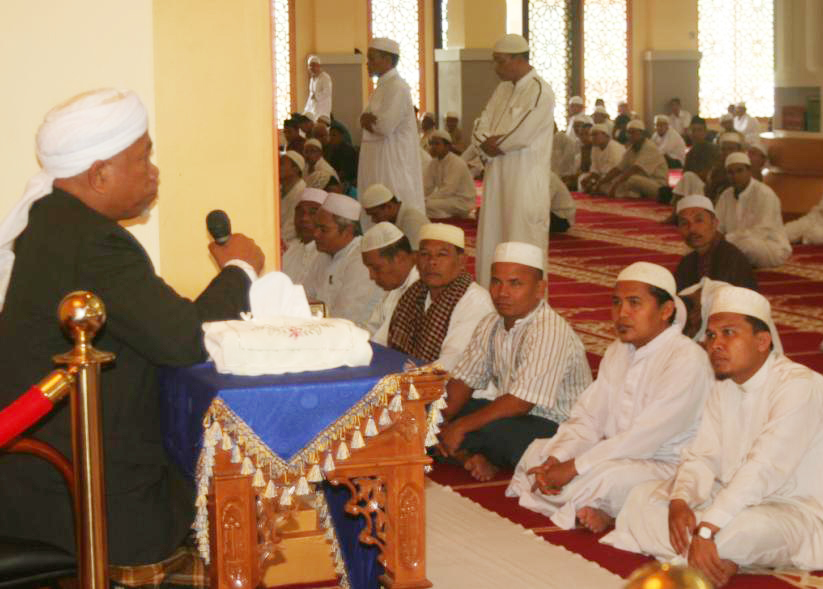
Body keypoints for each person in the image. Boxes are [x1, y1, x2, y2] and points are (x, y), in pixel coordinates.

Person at [0, 89, 265, 567]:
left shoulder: (52, 222)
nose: (154, 171)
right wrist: (239, 272)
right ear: (99, 174)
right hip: (87, 495)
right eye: (143, 158)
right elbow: (183, 339)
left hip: (34, 481)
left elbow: (152, 318)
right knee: (240, 475)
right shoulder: (97, 242)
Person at [603, 286, 823, 587]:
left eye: (729, 333)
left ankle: (709, 552)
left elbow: (764, 468)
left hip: (792, 510)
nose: (716, 344)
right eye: (712, 335)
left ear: (762, 341)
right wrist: (681, 502)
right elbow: (702, 456)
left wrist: (708, 528)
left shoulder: (799, 386)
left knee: (743, 529)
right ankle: (717, 558)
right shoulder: (725, 385)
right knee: (643, 498)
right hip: (729, 498)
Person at [506, 262, 713, 533]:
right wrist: (558, 458)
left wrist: (575, 467)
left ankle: (607, 512)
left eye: (634, 303)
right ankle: (593, 504)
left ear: (666, 310)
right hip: (615, 452)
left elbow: (644, 437)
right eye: (617, 303)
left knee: (607, 478)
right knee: (537, 452)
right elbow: (589, 417)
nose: (622, 313)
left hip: (666, 464)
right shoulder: (619, 350)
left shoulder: (686, 359)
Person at [438, 242, 592, 481]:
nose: (502, 293)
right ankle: (470, 457)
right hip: (513, 415)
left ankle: (463, 450)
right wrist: (442, 417)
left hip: (554, 425)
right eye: (496, 282)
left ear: (540, 288)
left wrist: (459, 427)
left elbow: (521, 403)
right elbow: (464, 379)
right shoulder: (491, 323)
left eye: (515, 283)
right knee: (426, 411)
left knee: (492, 432)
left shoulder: (549, 330)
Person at [473, 33, 555, 286]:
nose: (496, 68)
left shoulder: (540, 90)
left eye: (500, 61)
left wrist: (497, 143)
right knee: (493, 239)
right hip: (497, 176)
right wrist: (485, 142)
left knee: (523, 243)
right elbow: (480, 124)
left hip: (525, 181)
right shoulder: (502, 89)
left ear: (518, 59)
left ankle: (527, 308)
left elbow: (522, 133)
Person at [387, 223, 494, 372]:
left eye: (442, 254)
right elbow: (385, 341)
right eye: (425, 254)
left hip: (457, 388)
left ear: (462, 261)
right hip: (414, 379)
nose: (432, 262)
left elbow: (450, 362)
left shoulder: (475, 301)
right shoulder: (414, 293)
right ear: (416, 260)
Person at [358, 37, 425, 214]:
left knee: (391, 205)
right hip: (378, 159)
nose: (368, 63)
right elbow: (366, 119)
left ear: (387, 60)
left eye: (372, 58)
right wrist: (367, 119)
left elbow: (384, 126)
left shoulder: (398, 87)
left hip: (392, 161)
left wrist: (367, 120)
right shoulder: (382, 87)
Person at [303, 193, 383, 328]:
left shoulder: (362, 260)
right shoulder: (323, 255)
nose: (315, 234)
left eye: (323, 229)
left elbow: (346, 318)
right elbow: (304, 298)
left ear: (347, 231)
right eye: (316, 227)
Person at [715, 152, 792, 268]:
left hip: (768, 247)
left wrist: (727, 240)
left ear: (749, 171)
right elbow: (717, 224)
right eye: (730, 172)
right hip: (732, 244)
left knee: (747, 245)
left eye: (739, 171)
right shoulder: (726, 195)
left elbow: (762, 231)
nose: (735, 176)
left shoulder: (765, 194)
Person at [673, 194, 757, 293]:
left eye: (699, 220)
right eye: (684, 223)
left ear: (714, 223)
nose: (692, 229)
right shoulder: (687, 262)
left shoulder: (731, 259)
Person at [361, 222, 419, 344]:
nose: (371, 276)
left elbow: (382, 342)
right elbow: (370, 329)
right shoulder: (395, 288)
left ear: (400, 257)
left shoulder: (422, 288)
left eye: (376, 268)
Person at [599, 120, 668, 199]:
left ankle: (630, 193)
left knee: (631, 179)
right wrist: (600, 182)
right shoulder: (631, 149)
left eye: (633, 133)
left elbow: (635, 169)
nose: (629, 135)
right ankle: (633, 194)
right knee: (610, 181)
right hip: (639, 182)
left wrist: (616, 183)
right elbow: (618, 168)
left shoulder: (650, 148)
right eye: (628, 133)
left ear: (642, 134)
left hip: (657, 185)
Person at [424, 130, 476, 219]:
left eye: (437, 144)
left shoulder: (456, 162)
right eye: (432, 144)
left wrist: (427, 200)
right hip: (448, 199)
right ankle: (445, 214)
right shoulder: (434, 163)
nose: (433, 147)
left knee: (428, 205)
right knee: (422, 204)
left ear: (447, 146)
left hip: (462, 202)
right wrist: (420, 197)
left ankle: (451, 215)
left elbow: (448, 190)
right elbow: (427, 186)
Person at [360, 183, 430, 249]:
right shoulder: (394, 220)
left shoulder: (411, 220)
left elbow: (414, 256)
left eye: (375, 214)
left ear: (389, 207)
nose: (373, 220)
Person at [282, 187, 326, 286]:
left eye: (313, 212)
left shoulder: (327, 254)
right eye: (300, 212)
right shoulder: (290, 251)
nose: (304, 218)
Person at [580, 123, 625, 194]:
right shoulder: (595, 147)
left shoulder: (615, 147)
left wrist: (597, 182)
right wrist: (588, 179)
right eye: (591, 135)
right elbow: (594, 167)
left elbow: (614, 172)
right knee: (583, 178)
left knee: (603, 186)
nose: (593, 137)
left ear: (606, 135)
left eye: (595, 134)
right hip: (602, 177)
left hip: (615, 178)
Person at [704, 132, 744, 202]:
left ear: (739, 150)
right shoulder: (715, 171)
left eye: (731, 149)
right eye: (723, 149)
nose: (726, 152)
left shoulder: (746, 170)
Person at [279, 150, 307, 246]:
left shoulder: (302, 192)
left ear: (295, 169)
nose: (277, 167)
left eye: (281, 164)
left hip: (290, 243)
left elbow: (292, 228)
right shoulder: (279, 188)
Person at [326, 120, 358, 189]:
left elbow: (346, 172)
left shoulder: (348, 150)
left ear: (341, 136)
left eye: (334, 135)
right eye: (330, 135)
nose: (331, 138)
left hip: (346, 182)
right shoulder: (330, 148)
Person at [303, 55, 332, 121]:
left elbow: (327, 92)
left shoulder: (325, 77)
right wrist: (306, 109)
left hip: (323, 109)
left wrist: (316, 96)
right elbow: (311, 96)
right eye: (309, 66)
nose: (311, 68)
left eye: (313, 65)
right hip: (314, 109)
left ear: (318, 66)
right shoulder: (312, 79)